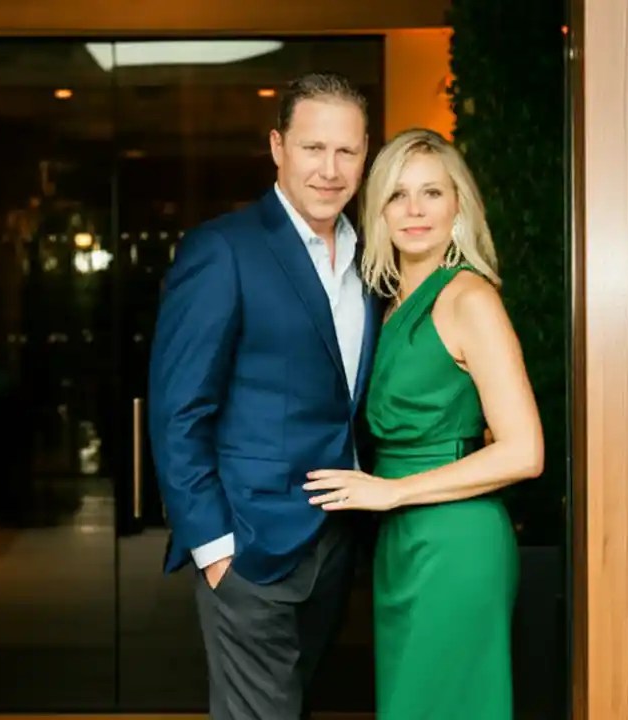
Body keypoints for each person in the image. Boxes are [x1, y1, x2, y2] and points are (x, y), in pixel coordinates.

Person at [147, 72, 376, 720]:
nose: (329, 169)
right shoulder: (224, 250)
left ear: (365, 154)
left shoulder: (371, 258)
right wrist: (215, 549)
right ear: (278, 147)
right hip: (247, 547)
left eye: (347, 151)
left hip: (335, 547)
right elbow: (179, 410)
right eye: (312, 148)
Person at [302, 128, 544, 719]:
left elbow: (524, 452)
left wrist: (393, 492)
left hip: (457, 542)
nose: (414, 210)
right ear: (377, 209)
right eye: (398, 194)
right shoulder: (381, 306)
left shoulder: (469, 300)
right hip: (402, 543)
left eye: (432, 193)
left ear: (458, 205)